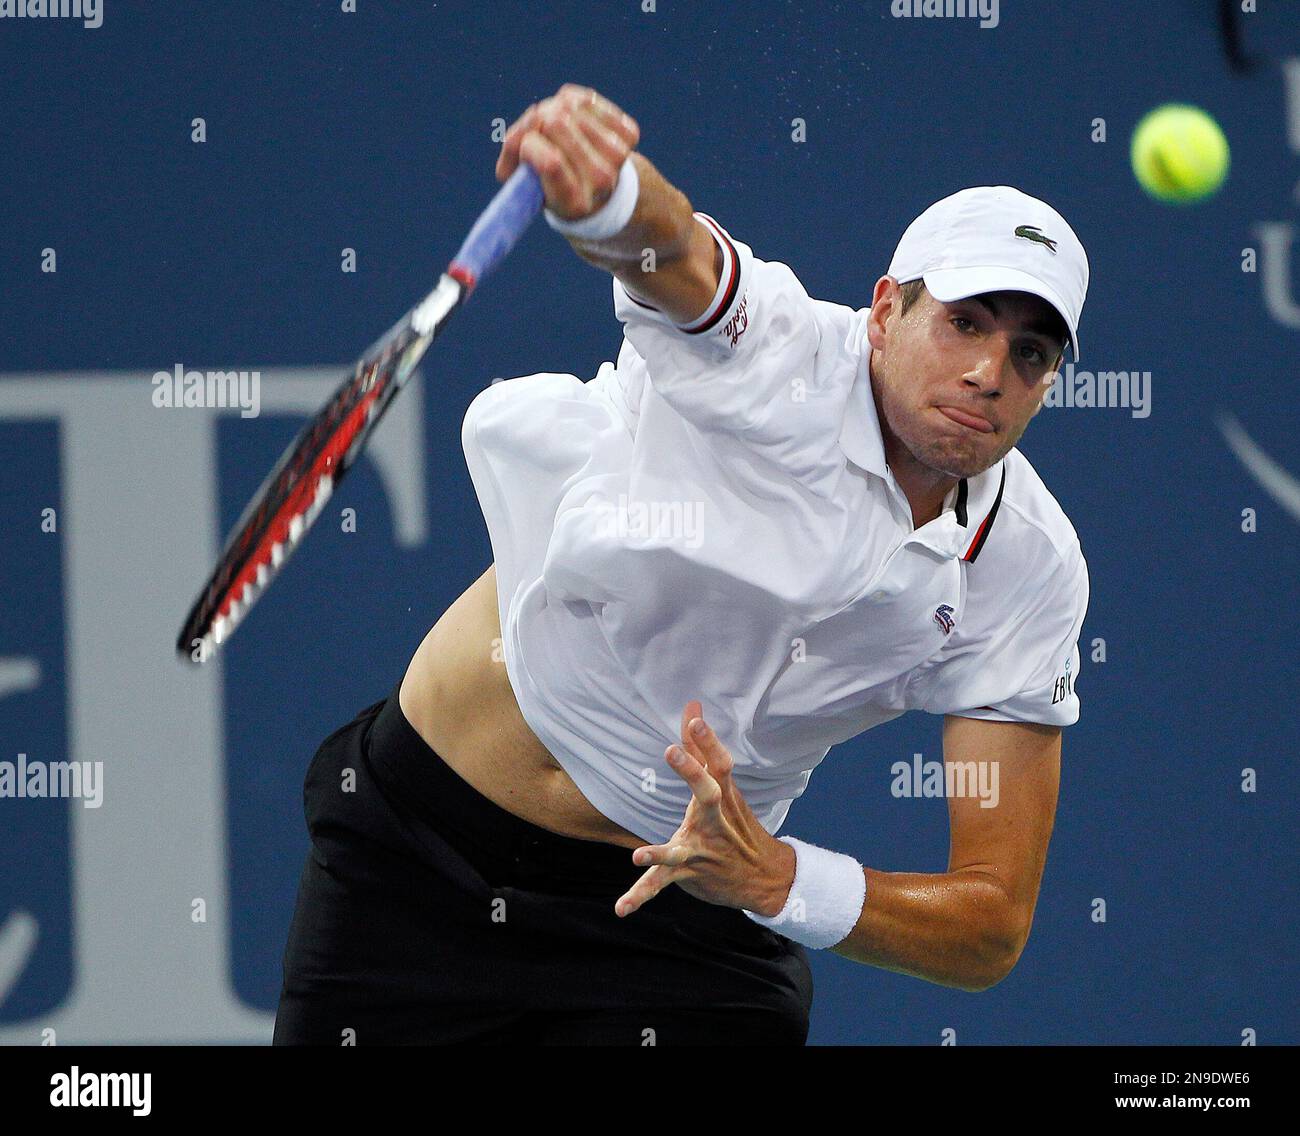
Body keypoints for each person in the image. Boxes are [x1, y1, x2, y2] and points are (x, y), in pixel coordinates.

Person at [272, 83, 1090, 1046]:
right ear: (884, 311)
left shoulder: (1029, 570)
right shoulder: (777, 358)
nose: (991, 372)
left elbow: (990, 925)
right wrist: (606, 192)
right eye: (966, 322)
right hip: (417, 860)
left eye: (1030, 353)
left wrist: (783, 882)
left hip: (680, 928)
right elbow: (679, 254)